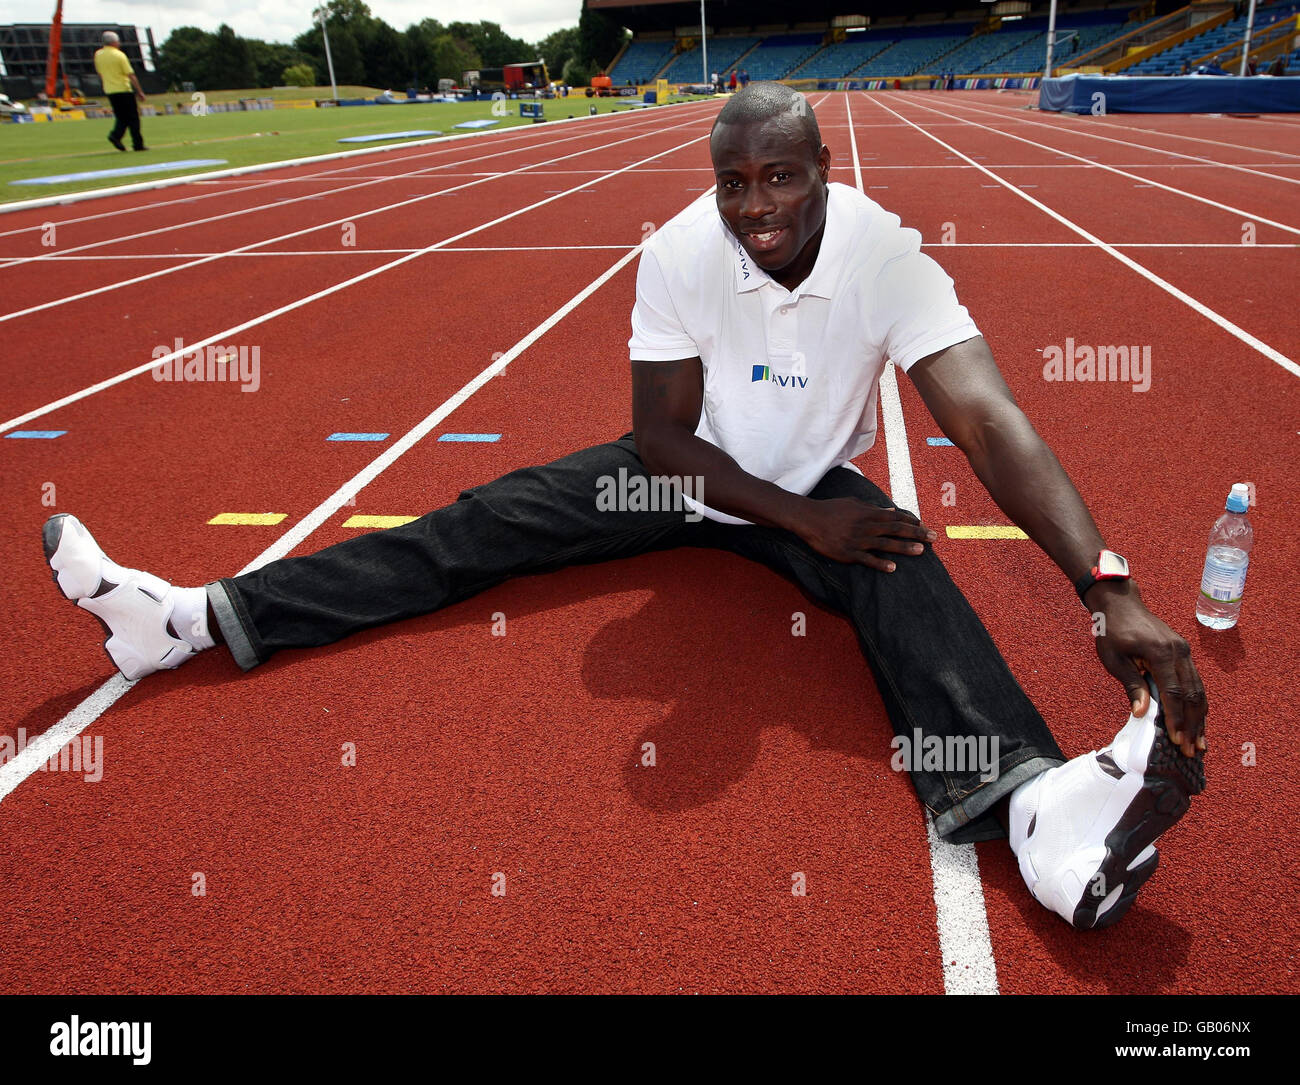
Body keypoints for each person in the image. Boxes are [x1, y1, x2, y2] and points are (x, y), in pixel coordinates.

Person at [45, 83, 1206, 932]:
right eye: (733, 182)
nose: (755, 205)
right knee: (477, 525)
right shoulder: (679, 253)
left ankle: (1038, 818)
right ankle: (190, 616)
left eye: (781, 177)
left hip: (805, 487)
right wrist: (796, 522)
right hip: (689, 474)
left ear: (823, 169)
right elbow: (657, 437)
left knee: (905, 572)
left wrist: (1111, 590)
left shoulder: (888, 262)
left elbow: (992, 421)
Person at [93, 30, 147, 152]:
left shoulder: (98, 55)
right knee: (133, 117)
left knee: (121, 117)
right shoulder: (119, 55)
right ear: (114, 42)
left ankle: (115, 136)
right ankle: (137, 144)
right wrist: (139, 91)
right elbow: (130, 74)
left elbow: (100, 73)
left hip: (110, 90)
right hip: (123, 89)